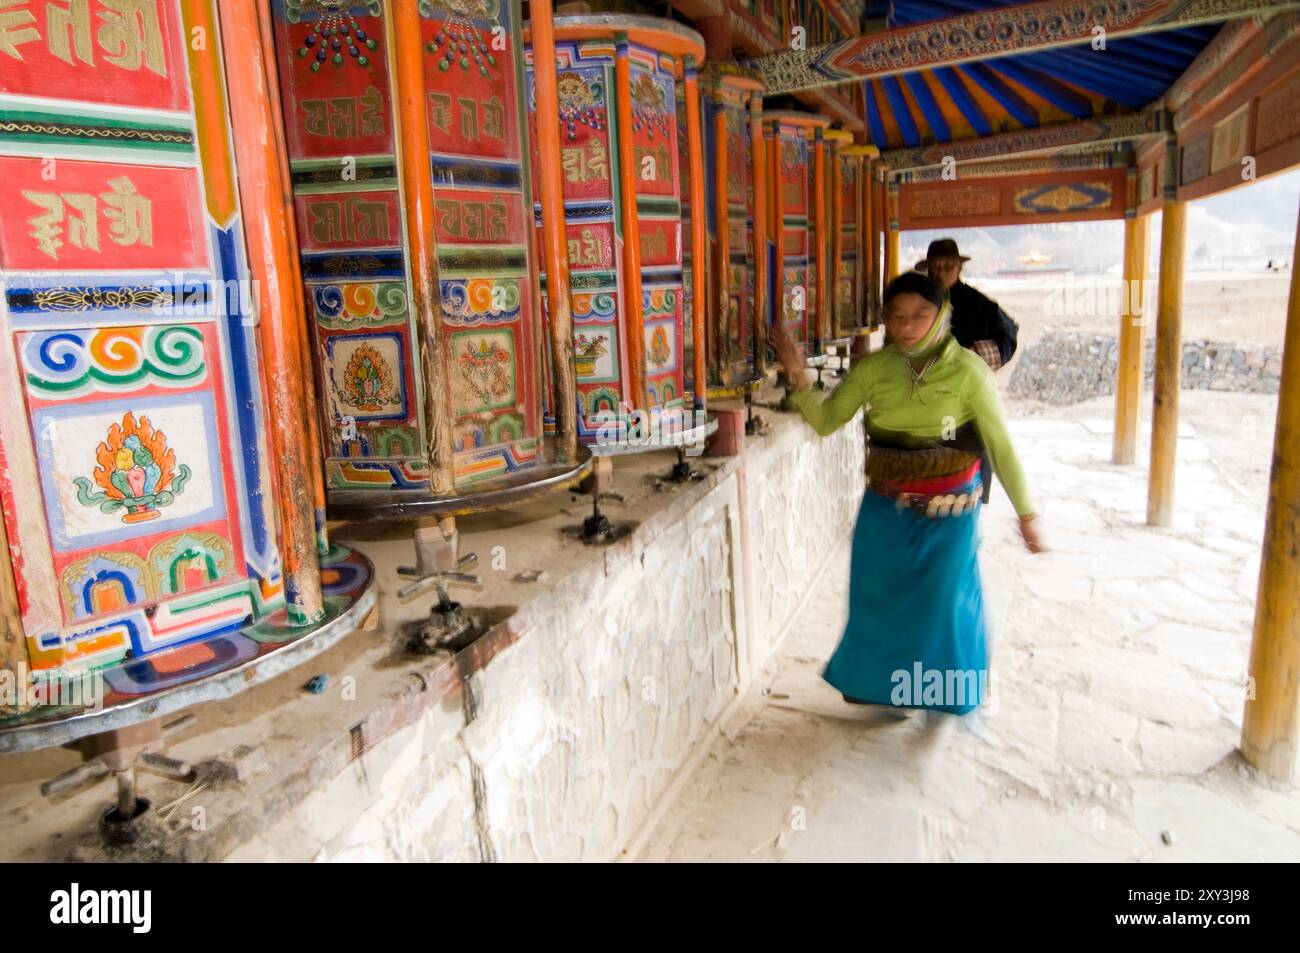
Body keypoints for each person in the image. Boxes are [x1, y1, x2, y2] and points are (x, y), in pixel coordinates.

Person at [771, 271, 1044, 716]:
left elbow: (1001, 446)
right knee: (876, 596)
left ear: (944, 315)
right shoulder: (874, 369)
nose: (908, 325)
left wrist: (1027, 515)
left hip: (951, 510)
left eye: (921, 313)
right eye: (897, 316)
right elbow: (826, 421)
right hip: (886, 506)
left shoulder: (969, 372)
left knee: (944, 599)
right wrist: (800, 378)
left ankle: (946, 691)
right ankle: (875, 683)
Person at [918, 238, 1019, 371]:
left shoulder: (980, 304)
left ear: (959, 268)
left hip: (967, 376)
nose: (941, 272)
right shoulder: (918, 301)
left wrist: (973, 356)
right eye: (935, 267)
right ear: (928, 270)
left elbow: (1008, 337)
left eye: (948, 266)